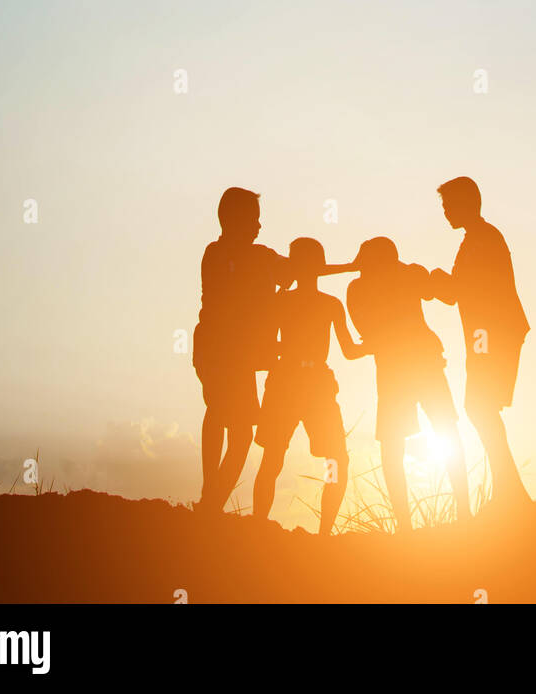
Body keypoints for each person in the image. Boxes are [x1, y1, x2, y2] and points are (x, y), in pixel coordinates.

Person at [347, 237, 470, 531]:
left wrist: (418, 275)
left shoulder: (401, 275)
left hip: (419, 364)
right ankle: (406, 525)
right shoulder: (360, 288)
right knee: (394, 443)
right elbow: (367, 329)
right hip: (397, 368)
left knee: (444, 429)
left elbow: (439, 292)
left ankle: (464, 512)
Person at [429, 176, 530, 508]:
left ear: (466, 204)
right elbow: (455, 290)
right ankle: (509, 490)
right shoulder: (477, 238)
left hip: (493, 335)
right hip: (488, 336)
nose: (444, 212)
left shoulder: (482, 239)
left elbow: (455, 291)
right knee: (482, 407)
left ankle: (510, 491)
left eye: (448, 205)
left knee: (480, 406)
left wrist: (429, 279)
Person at [252, 238, 365, 536]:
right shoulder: (329, 304)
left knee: (274, 458)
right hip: (310, 384)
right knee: (335, 459)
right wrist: (379, 343)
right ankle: (323, 535)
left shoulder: (283, 301)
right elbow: (351, 351)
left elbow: (262, 345)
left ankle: (259, 528)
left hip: (291, 383)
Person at [193, 187, 292, 513]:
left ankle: (211, 503)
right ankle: (210, 497)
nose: (259, 226)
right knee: (221, 416)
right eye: (254, 219)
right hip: (218, 351)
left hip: (241, 357)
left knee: (240, 435)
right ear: (234, 219)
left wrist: (353, 266)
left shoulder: (260, 256)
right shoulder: (217, 254)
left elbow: (304, 268)